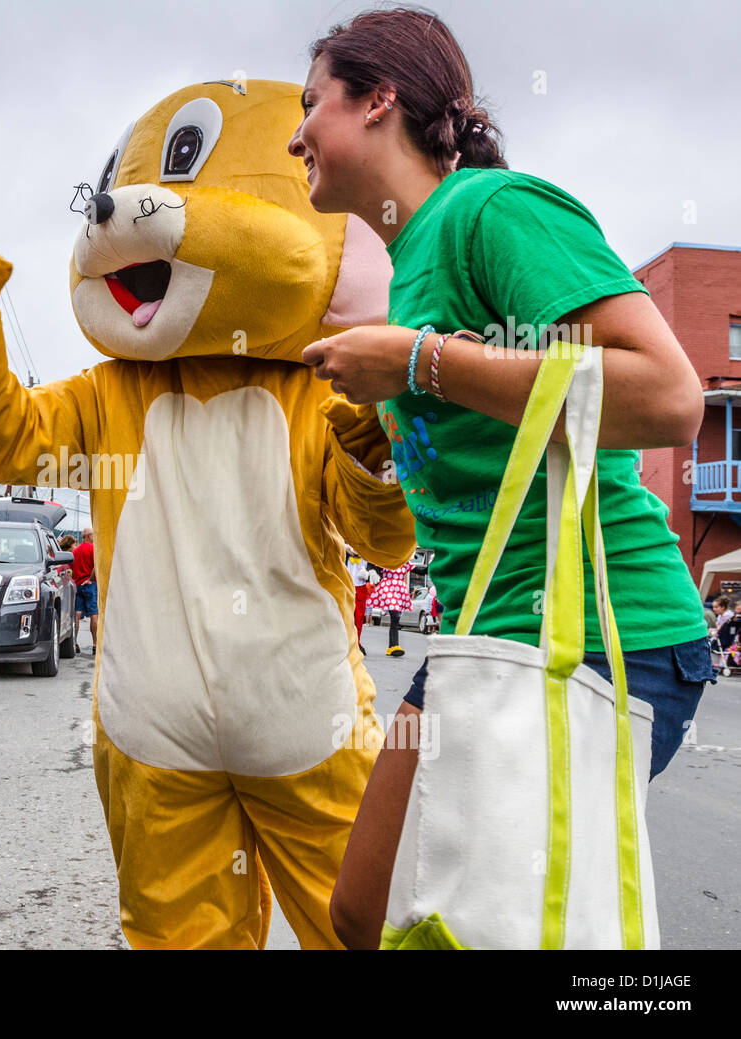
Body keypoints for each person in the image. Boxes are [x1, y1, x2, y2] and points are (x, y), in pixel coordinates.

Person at [288, 7, 712, 948]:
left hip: (605, 632)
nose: (294, 132)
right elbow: (502, 432)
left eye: (312, 102)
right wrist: (390, 440)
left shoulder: (493, 211)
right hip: (486, 631)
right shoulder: (408, 266)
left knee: (499, 926)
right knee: (364, 908)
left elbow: (670, 396)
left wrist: (419, 367)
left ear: (379, 99)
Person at [370, 559, 414, 657]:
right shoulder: (387, 558)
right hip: (388, 586)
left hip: (400, 589)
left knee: (395, 619)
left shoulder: (404, 561)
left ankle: (391, 647)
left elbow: (419, 570)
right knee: (394, 615)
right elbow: (374, 563)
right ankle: (395, 645)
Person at [71, 526, 97, 653]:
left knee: (77, 613)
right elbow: (96, 566)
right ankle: (95, 644)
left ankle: (74, 642)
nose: (94, 537)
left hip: (77, 585)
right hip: (90, 585)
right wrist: (90, 579)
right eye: (93, 535)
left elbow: (71, 569)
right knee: (94, 613)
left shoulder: (75, 551)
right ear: (88, 536)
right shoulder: (93, 549)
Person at [346, 548, 376, 651]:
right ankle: (345, 641)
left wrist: (368, 576)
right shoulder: (345, 555)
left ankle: (356, 642)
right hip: (347, 586)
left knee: (359, 617)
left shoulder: (368, 558)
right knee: (346, 616)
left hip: (361, 588)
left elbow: (376, 574)